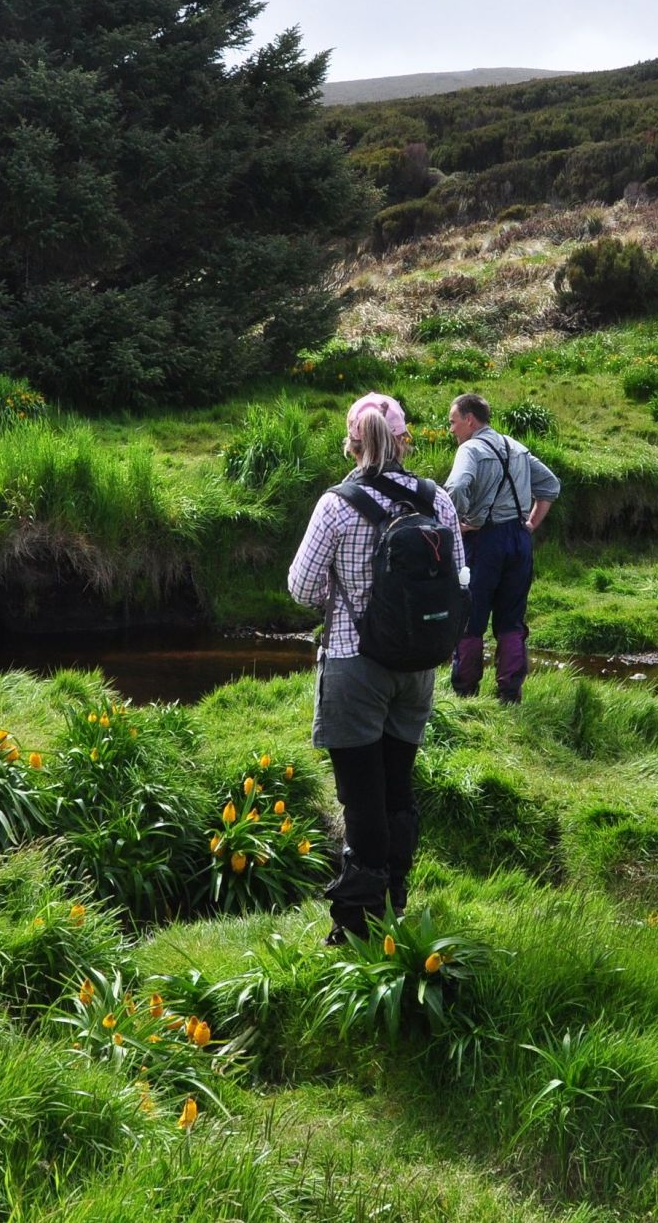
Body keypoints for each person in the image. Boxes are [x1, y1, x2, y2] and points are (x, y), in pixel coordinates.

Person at [286, 393, 464, 942]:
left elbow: (301, 587)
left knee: (360, 798)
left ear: (354, 441)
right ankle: (396, 903)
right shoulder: (439, 501)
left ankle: (357, 927)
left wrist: (343, 597)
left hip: (353, 664)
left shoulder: (336, 504)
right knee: (397, 789)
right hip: (417, 667)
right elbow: (459, 579)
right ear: (404, 439)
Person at [442, 393, 560, 702]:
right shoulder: (516, 448)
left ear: (470, 420)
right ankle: (509, 693)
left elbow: (454, 487)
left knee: (470, 617)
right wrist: (531, 524)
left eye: (453, 422)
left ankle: (465, 693)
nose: (451, 429)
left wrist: (463, 520)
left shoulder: (470, 449)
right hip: (518, 542)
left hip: (484, 541)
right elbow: (550, 486)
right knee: (511, 618)